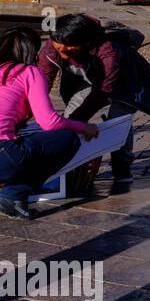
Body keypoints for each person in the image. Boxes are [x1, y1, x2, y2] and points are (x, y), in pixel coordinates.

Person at [38, 14, 150, 183]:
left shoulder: (108, 50)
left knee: (118, 122)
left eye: (69, 51)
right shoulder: (54, 43)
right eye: (60, 50)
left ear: (84, 43)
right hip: (88, 76)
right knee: (68, 118)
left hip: (126, 79)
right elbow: (41, 82)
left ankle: (122, 169)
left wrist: (77, 121)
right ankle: (67, 167)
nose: (65, 56)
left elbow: (102, 91)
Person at [0, 28, 97, 219]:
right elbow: (48, 122)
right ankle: (13, 195)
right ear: (32, 52)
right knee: (67, 139)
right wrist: (83, 127)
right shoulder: (30, 72)